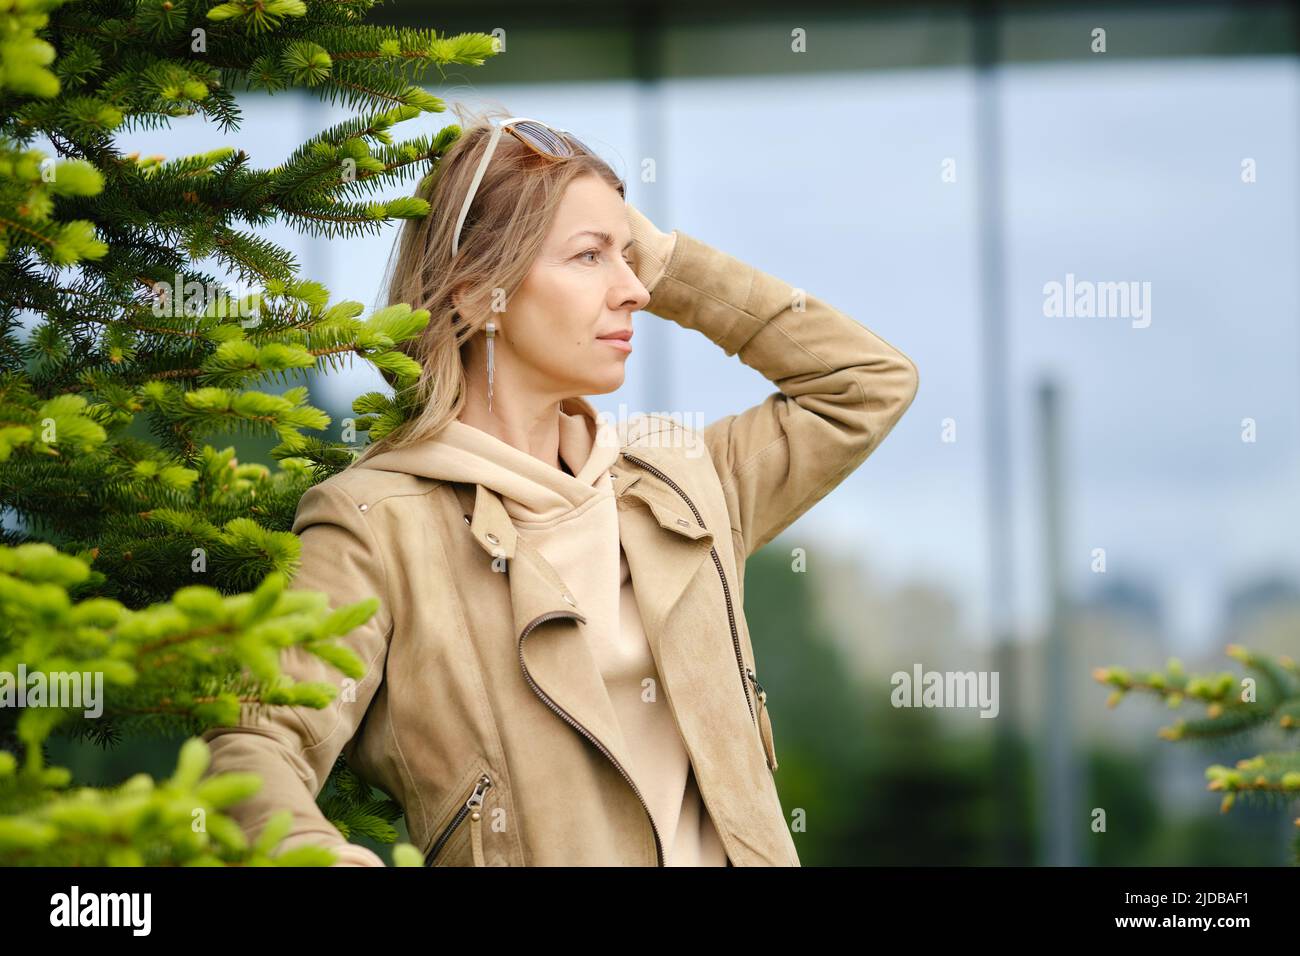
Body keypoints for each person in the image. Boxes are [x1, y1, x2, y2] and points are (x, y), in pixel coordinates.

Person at [201, 105, 920, 866]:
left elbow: (866, 383)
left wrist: (669, 261)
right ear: (480, 295)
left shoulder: (684, 482)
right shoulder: (377, 524)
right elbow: (254, 742)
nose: (634, 290)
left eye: (630, 256)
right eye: (589, 258)